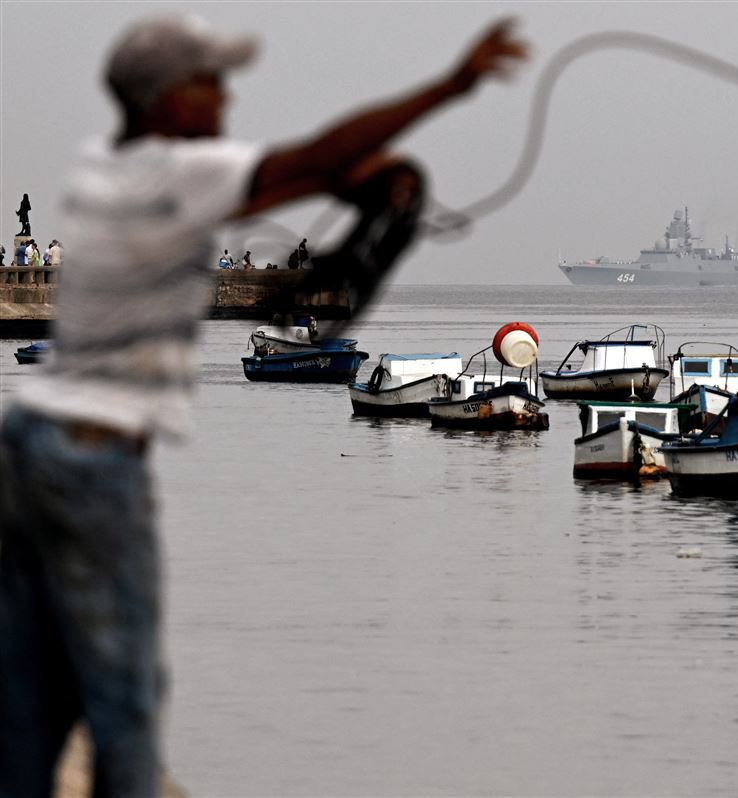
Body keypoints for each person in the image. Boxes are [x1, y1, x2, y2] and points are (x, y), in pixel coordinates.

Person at [0, 13, 526, 797]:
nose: (224, 95)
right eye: (208, 82)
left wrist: (356, 177)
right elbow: (317, 158)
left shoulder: (117, 170)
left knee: (33, 708)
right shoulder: (169, 173)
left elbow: (306, 175)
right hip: (90, 463)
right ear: (164, 100)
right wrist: (451, 87)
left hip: (32, 449)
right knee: (125, 704)